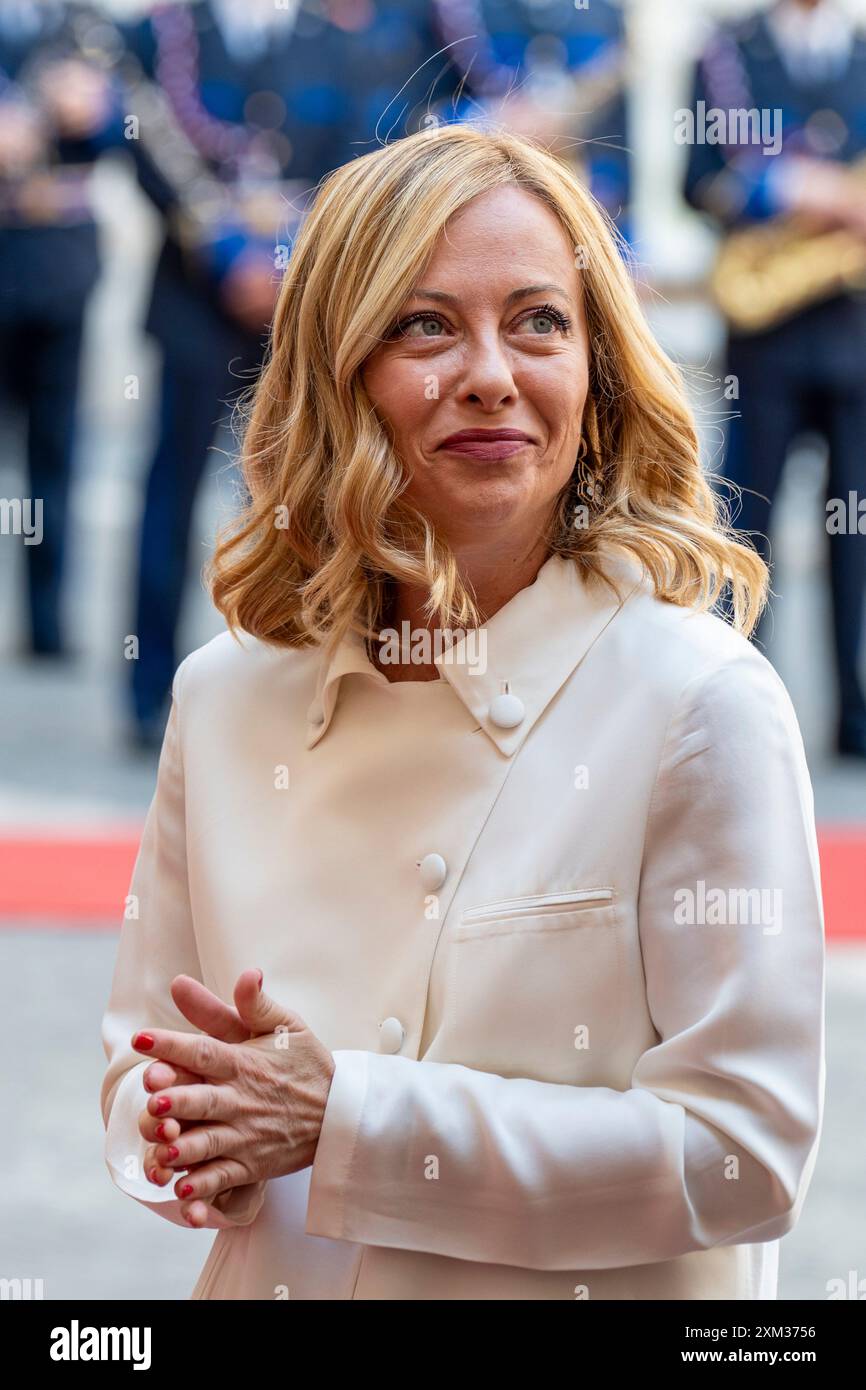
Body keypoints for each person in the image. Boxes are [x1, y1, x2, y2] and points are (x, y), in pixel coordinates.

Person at [100, 125, 824, 1301]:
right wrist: (191, 1130)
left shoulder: (697, 699)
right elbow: (138, 1065)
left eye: (538, 320)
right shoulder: (223, 695)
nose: (490, 370)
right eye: (425, 323)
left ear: (595, 375)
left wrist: (351, 1122)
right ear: (336, 374)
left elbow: (741, 1153)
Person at [684, 0, 866, 758]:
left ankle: (852, 714)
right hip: (764, 338)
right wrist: (793, 192)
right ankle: (742, 702)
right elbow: (697, 183)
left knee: (853, 528)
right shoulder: (727, 52)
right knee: (745, 523)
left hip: (854, 332)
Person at [0, 1, 124, 656]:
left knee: (57, 449)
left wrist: (95, 114)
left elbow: (130, 129)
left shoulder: (81, 22)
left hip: (58, 266)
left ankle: (47, 619)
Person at [432, 0, 630, 234]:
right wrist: (496, 119)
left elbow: (618, 158)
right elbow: (427, 113)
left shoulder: (604, 19)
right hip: (475, 191)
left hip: (587, 195)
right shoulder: (459, 13)